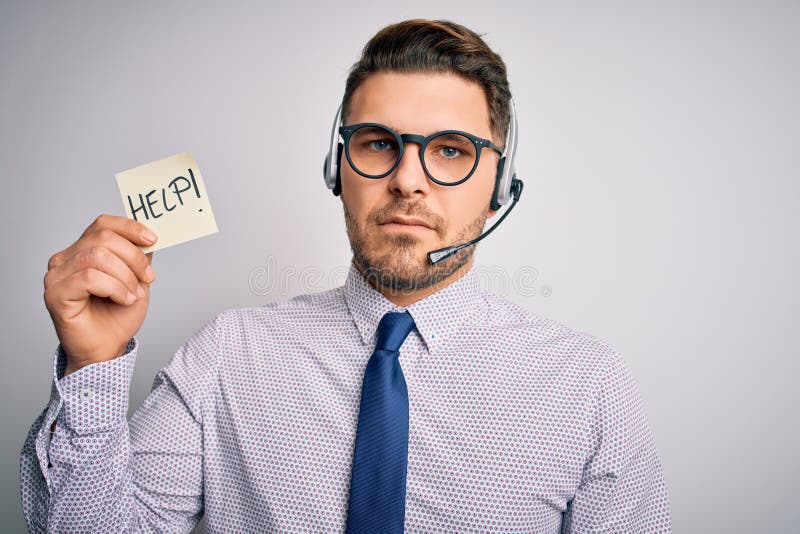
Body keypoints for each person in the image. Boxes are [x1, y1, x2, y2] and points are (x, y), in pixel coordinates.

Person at [20, 18, 671, 533]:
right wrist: (91, 368)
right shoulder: (227, 355)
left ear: (498, 187)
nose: (408, 180)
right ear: (338, 170)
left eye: (450, 150)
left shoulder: (588, 387)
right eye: (378, 143)